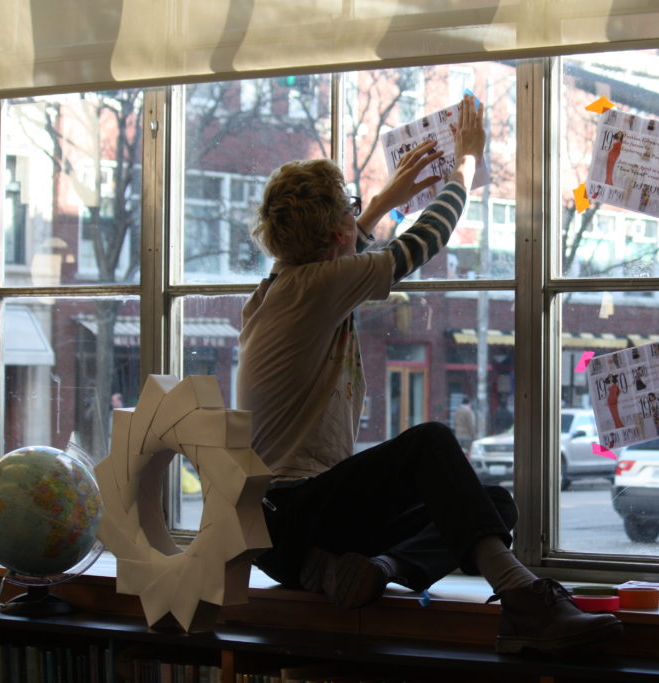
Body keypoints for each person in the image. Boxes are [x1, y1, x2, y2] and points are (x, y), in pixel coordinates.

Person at [236, 95, 621, 654]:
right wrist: (464, 163)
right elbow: (423, 242)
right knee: (431, 445)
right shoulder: (316, 286)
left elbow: (343, 247)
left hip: (283, 531)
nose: (355, 211)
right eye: (349, 206)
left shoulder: (283, 285)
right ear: (335, 239)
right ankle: (521, 601)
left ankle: (361, 570)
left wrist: (386, 198)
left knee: (491, 506)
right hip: (289, 509)